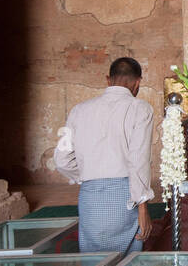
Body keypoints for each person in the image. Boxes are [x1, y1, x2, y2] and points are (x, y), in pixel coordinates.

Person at [53, 56, 154, 252]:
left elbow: (61, 160)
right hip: (124, 197)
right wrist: (142, 206)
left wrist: (88, 175)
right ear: (137, 83)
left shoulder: (78, 110)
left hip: (89, 197)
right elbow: (138, 159)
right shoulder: (140, 108)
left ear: (108, 80)